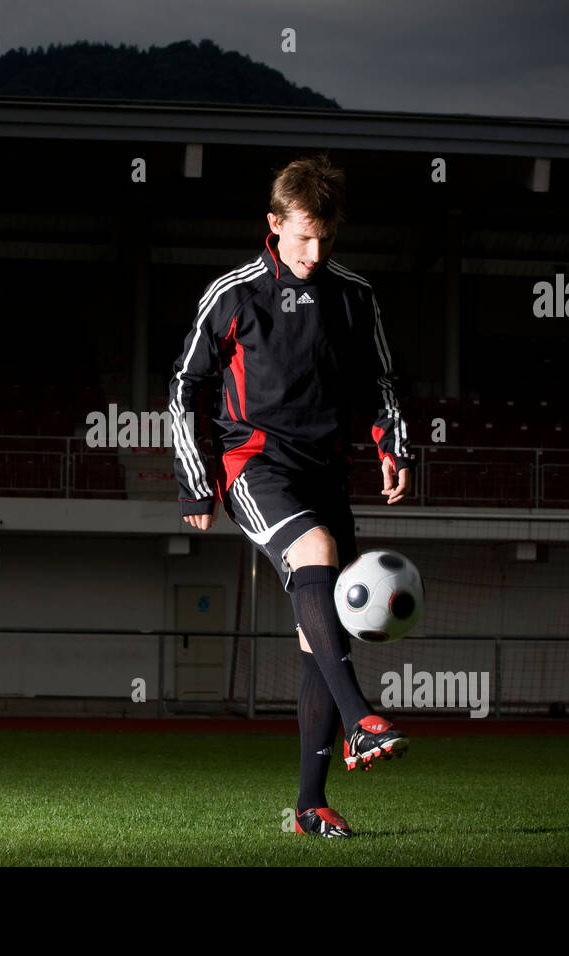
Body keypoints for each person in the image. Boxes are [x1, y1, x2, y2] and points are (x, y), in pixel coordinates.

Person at [168, 154, 417, 838]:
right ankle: (363, 719)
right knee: (317, 551)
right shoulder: (234, 294)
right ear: (274, 225)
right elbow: (184, 389)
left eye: (328, 238)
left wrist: (394, 446)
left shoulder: (355, 295)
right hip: (256, 464)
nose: (316, 251)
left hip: (327, 471)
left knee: (321, 640)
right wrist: (198, 479)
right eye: (304, 236)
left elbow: (383, 383)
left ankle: (310, 806)